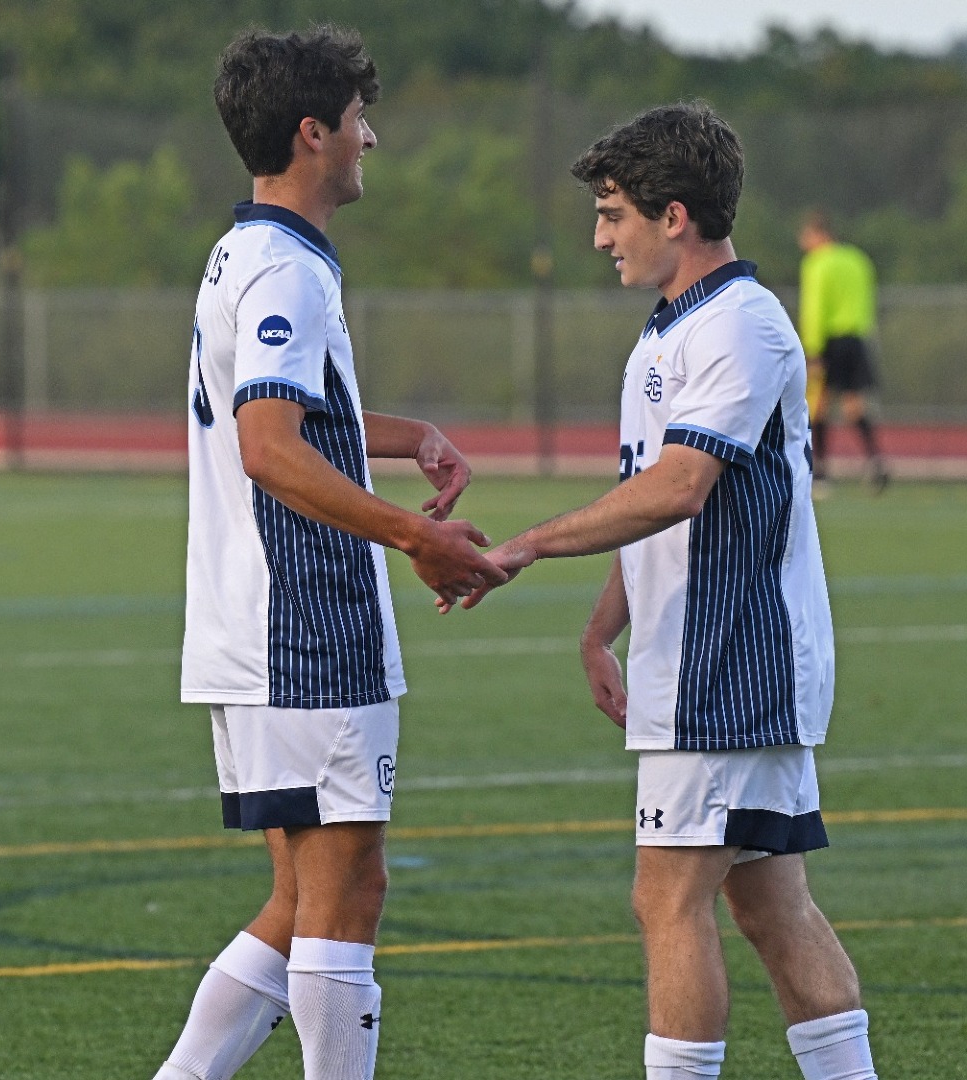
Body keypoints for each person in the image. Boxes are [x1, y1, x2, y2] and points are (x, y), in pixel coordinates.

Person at [460, 103, 877, 1080]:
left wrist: (521, 549)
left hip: (727, 664)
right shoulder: (670, 330)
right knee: (772, 906)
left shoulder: (740, 325)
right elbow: (649, 497)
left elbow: (680, 488)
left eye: (613, 214)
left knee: (667, 900)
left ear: (674, 215)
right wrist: (604, 627)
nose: (601, 236)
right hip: (702, 662)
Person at [160, 26, 505, 1080]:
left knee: (301, 899)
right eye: (359, 119)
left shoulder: (245, 250)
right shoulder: (287, 272)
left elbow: (280, 422)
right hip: (302, 625)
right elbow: (268, 449)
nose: (372, 138)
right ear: (313, 133)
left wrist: (401, 438)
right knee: (349, 896)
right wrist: (419, 535)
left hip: (252, 621)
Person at [797, 211, 889, 492]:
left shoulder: (817, 263)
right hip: (858, 337)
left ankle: (821, 473)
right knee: (855, 406)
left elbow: (814, 309)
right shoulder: (858, 260)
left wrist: (812, 351)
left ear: (817, 234)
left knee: (818, 405)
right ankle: (876, 465)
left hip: (829, 341)